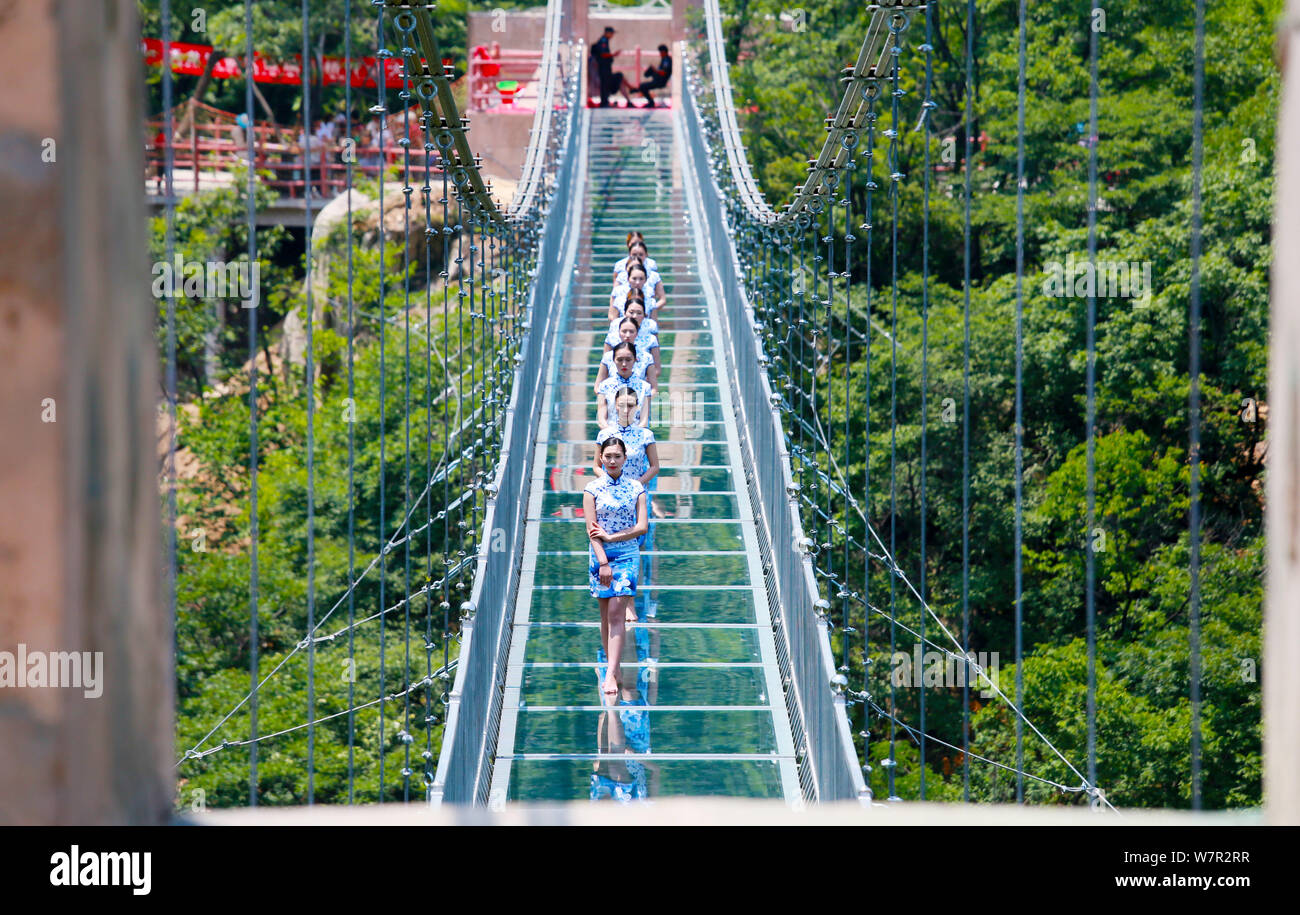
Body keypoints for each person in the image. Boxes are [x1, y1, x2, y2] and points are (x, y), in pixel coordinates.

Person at [584, 436, 648, 696]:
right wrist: (602, 561)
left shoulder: (636, 488)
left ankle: (610, 673)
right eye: (608, 456)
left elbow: (642, 527)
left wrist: (614, 537)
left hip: (628, 555)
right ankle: (614, 666)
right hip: (600, 557)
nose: (612, 460)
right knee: (604, 616)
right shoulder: (591, 490)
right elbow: (591, 530)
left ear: (625, 458)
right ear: (601, 458)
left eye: (617, 456)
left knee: (616, 614)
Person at [597, 342, 654, 428]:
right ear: (613, 360)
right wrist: (613, 435)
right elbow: (601, 420)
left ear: (635, 360)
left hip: (637, 436)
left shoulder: (645, 387)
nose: (624, 364)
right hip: (611, 437)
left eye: (628, 360)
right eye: (619, 360)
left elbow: (644, 420)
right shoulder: (604, 386)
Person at [591, 26, 633, 108]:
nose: (612, 35)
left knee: (607, 83)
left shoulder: (605, 41)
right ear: (607, 33)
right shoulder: (603, 41)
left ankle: (605, 101)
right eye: (611, 33)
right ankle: (604, 102)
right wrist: (613, 54)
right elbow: (603, 54)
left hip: (605, 67)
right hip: (603, 67)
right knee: (605, 83)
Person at [637, 44, 672, 108]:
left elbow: (664, 73)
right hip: (658, 79)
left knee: (642, 86)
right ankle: (637, 89)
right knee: (649, 71)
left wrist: (655, 70)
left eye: (660, 52)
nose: (660, 54)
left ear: (663, 52)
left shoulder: (667, 60)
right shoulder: (664, 59)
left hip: (660, 82)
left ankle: (651, 102)